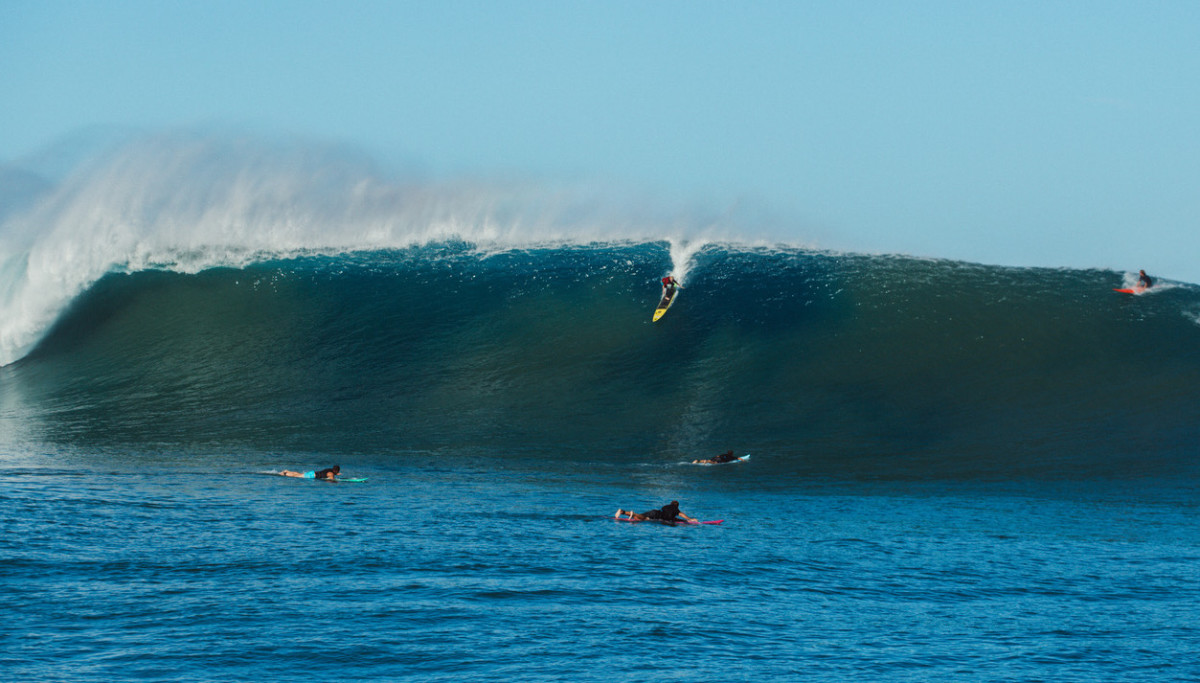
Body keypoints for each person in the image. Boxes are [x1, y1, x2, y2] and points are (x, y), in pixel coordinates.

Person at [615, 500, 697, 524]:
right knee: (643, 518)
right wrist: (690, 519)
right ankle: (633, 514)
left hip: (654, 512)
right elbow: (681, 514)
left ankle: (623, 512)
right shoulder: (675, 508)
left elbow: (670, 516)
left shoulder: (666, 506)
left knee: (640, 517)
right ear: (677, 506)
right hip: (656, 515)